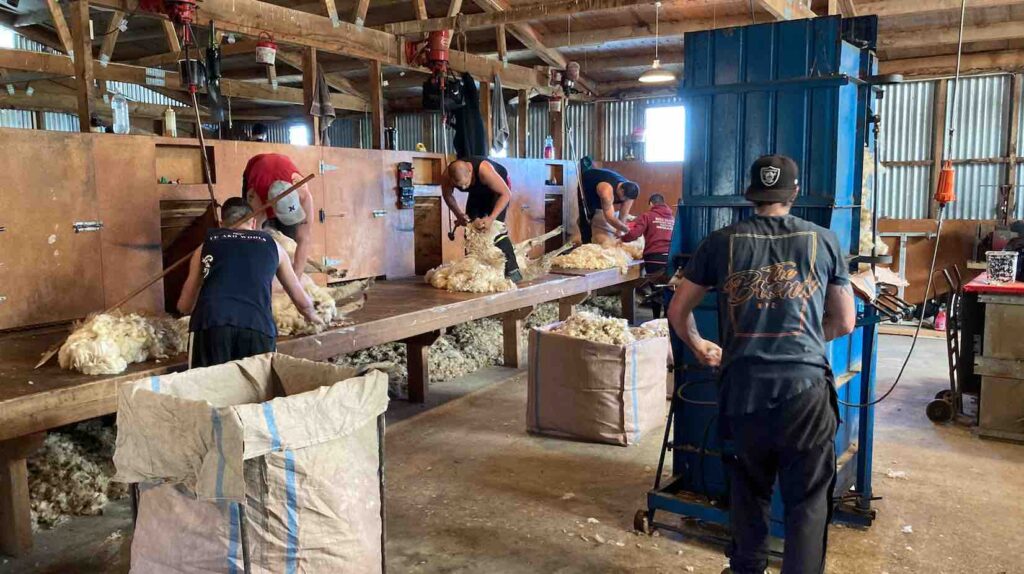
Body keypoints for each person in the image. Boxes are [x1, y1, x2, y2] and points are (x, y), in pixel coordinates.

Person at [666, 155, 856, 574]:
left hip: (744, 389)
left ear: (751, 193)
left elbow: (678, 310)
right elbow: (844, 321)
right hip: (805, 393)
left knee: (748, 493)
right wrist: (805, 341)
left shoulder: (720, 242)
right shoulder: (824, 240)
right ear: (794, 192)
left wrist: (699, 345)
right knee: (807, 503)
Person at [177, 198, 323, 368]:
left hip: (211, 325)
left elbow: (184, 305)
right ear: (253, 222)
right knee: (257, 384)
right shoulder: (274, 247)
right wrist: (314, 317)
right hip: (257, 326)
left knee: (208, 383)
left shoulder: (205, 246)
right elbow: (301, 300)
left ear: (221, 224)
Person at [443, 156, 523, 282]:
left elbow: (506, 194)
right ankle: (474, 270)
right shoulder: (446, 176)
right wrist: (459, 215)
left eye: (465, 184)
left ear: (470, 171)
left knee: (495, 229)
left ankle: (513, 270)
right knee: (471, 229)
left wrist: (491, 218)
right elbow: (448, 195)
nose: (463, 188)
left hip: (499, 191)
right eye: (459, 186)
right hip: (477, 191)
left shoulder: (485, 170)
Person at [242, 153, 314, 277]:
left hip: (281, 165)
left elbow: (304, 238)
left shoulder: (304, 193)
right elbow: (254, 236)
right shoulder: (256, 199)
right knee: (255, 234)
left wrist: (295, 278)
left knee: (292, 236)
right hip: (256, 169)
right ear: (269, 204)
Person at [621, 193, 675, 318]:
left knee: (655, 290)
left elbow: (634, 234)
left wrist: (622, 239)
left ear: (651, 203)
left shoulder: (647, 216)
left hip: (654, 258)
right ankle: (668, 320)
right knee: (668, 289)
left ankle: (656, 319)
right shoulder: (672, 219)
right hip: (670, 257)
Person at [580, 167, 639, 245]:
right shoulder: (606, 190)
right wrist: (626, 229)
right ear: (622, 191)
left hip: (603, 190)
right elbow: (609, 218)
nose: (627, 200)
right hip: (586, 185)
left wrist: (619, 231)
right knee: (585, 219)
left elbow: (624, 212)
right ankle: (584, 242)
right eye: (625, 198)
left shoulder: (630, 190)